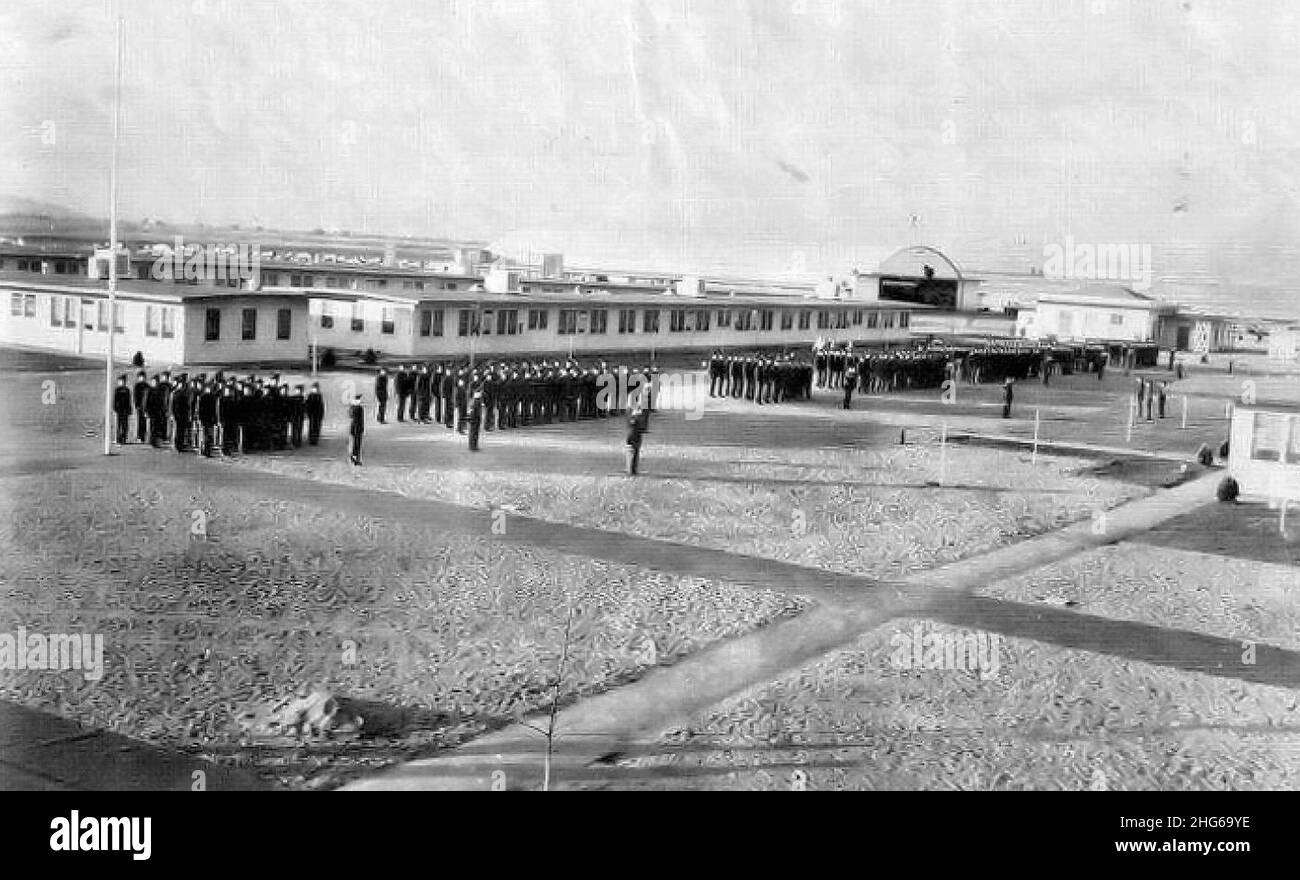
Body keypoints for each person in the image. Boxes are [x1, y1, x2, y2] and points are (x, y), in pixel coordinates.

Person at [198, 383, 219, 457]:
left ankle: (204, 450)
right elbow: (214, 410)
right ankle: (206, 451)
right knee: (207, 436)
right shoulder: (211, 398)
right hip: (208, 420)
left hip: (206, 419)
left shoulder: (203, 397)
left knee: (205, 435)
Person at [626, 406, 648, 475]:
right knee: (633, 450)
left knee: (633, 451)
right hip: (634, 434)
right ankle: (631, 470)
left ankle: (632, 469)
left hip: (634, 433)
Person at [112, 375, 133, 445]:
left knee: (125, 425)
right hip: (119, 410)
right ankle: (118, 439)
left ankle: (124, 438)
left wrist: (130, 409)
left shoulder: (127, 390)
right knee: (119, 424)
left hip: (125, 410)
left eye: (122, 381)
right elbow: (115, 400)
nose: (121, 383)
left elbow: (129, 400)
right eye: (120, 381)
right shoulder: (117, 390)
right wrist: (115, 408)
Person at [348, 394, 365, 466]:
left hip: (353, 429)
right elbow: (359, 420)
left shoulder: (352, 408)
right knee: (357, 445)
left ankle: (354, 457)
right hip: (358, 429)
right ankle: (355, 459)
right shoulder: (359, 408)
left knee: (354, 444)